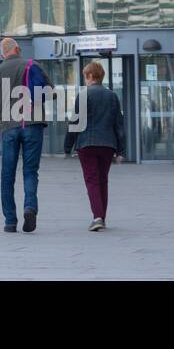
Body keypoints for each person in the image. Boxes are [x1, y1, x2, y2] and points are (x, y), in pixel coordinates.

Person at [0, 37, 52, 233]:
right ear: (18, 49)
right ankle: (30, 207)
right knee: (30, 171)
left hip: (9, 128)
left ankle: (10, 221)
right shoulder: (34, 66)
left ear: (2, 54)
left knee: (7, 175)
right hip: (33, 125)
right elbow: (50, 93)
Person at [67, 60, 126, 231]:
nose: (85, 80)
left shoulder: (84, 95)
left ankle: (97, 217)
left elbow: (75, 122)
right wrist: (121, 149)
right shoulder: (113, 96)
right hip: (108, 144)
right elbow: (119, 125)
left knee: (92, 180)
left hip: (87, 144)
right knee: (102, 180)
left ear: (91, 76)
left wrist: (68, 145)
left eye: (85, 76)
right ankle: (102, 217)